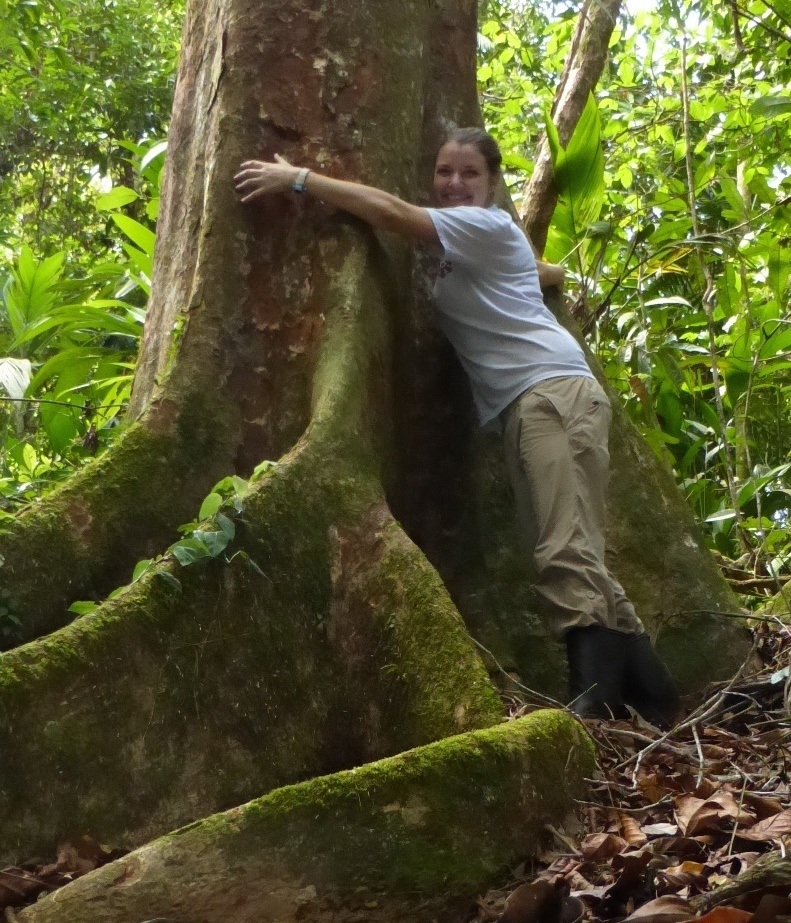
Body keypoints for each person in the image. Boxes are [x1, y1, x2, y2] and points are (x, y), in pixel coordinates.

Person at [234, 128, 680, 726]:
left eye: (469, 173)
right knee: (575, 545)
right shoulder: (484, 242)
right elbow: (540, 273)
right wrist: (547, 274)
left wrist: (301, 178)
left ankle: (592, 703)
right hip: (542, 400)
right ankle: (654, 695)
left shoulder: (486, 226)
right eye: (444, 172)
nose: (454, 184)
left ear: (493, 183)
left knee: (564, 548)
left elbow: (393, 214)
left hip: (551, 395)